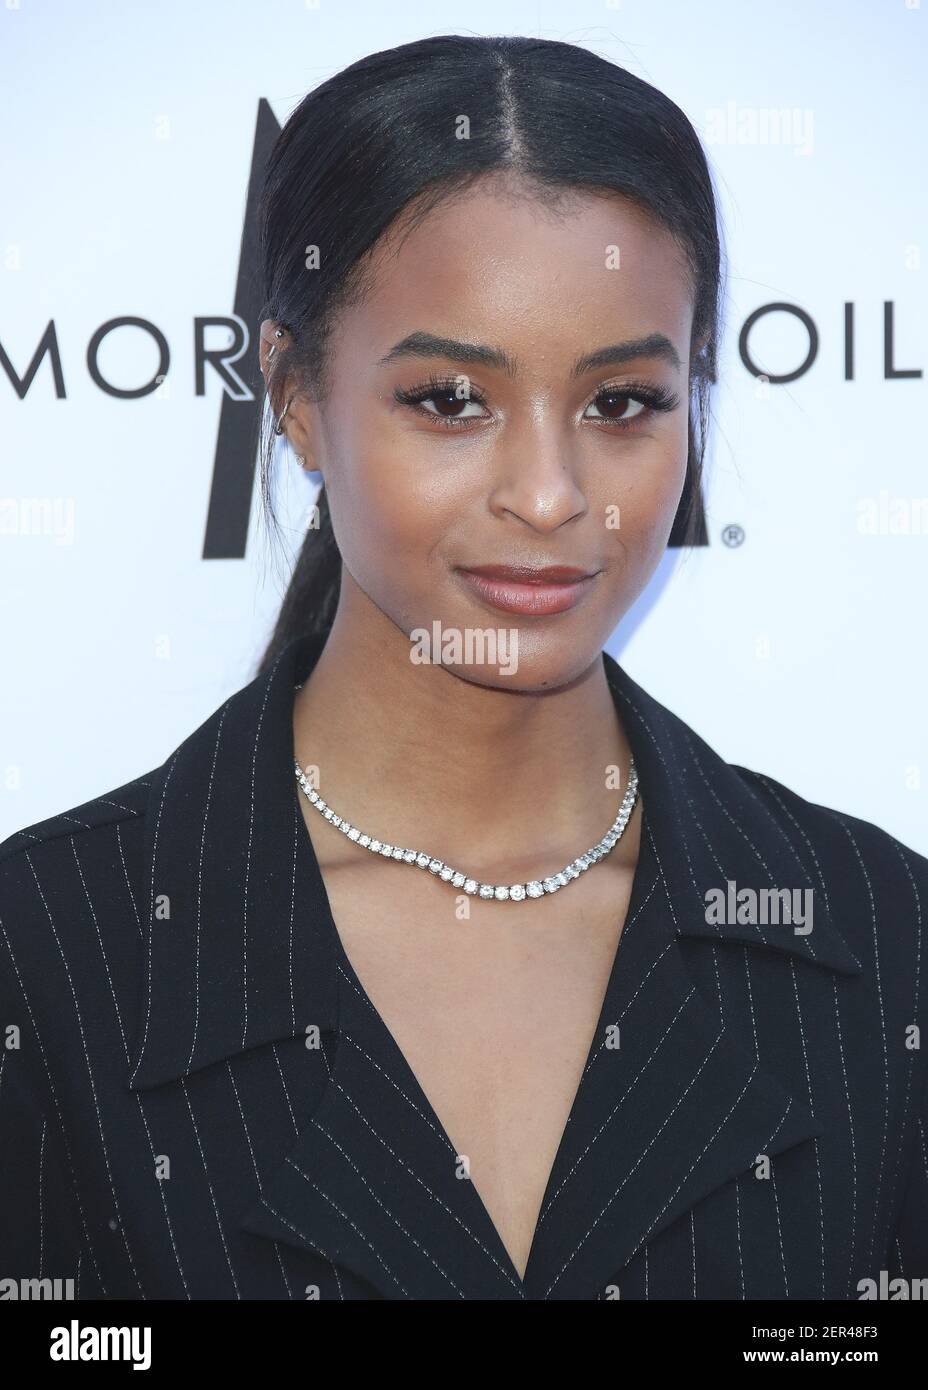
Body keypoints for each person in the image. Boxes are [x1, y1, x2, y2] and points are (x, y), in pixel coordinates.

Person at [1, 34, 925, 1302]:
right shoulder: (52, 954)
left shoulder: (878, 935)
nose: (549, 496)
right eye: (449, 398)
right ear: (293, 395)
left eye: (621, 404)